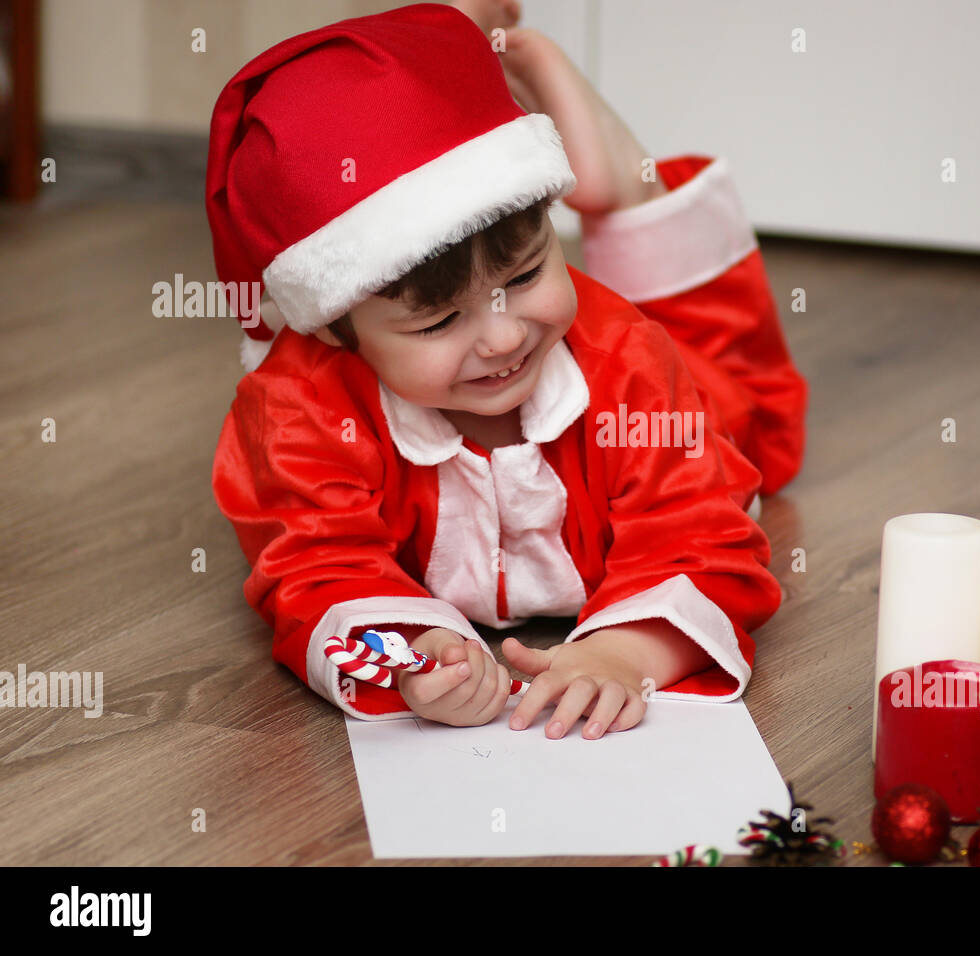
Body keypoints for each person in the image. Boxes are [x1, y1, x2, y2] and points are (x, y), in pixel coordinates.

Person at [206, 0, 807, 741]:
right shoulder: (298, 404)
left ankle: (627, 188)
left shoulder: (627, 362)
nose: (502, 337)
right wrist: (405, 656)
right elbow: (310, 564)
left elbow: (702, 532)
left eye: (524, 277)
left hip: (673, 376)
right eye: (437, 323)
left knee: (758, 421)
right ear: (335, 328)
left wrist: (625, 653)